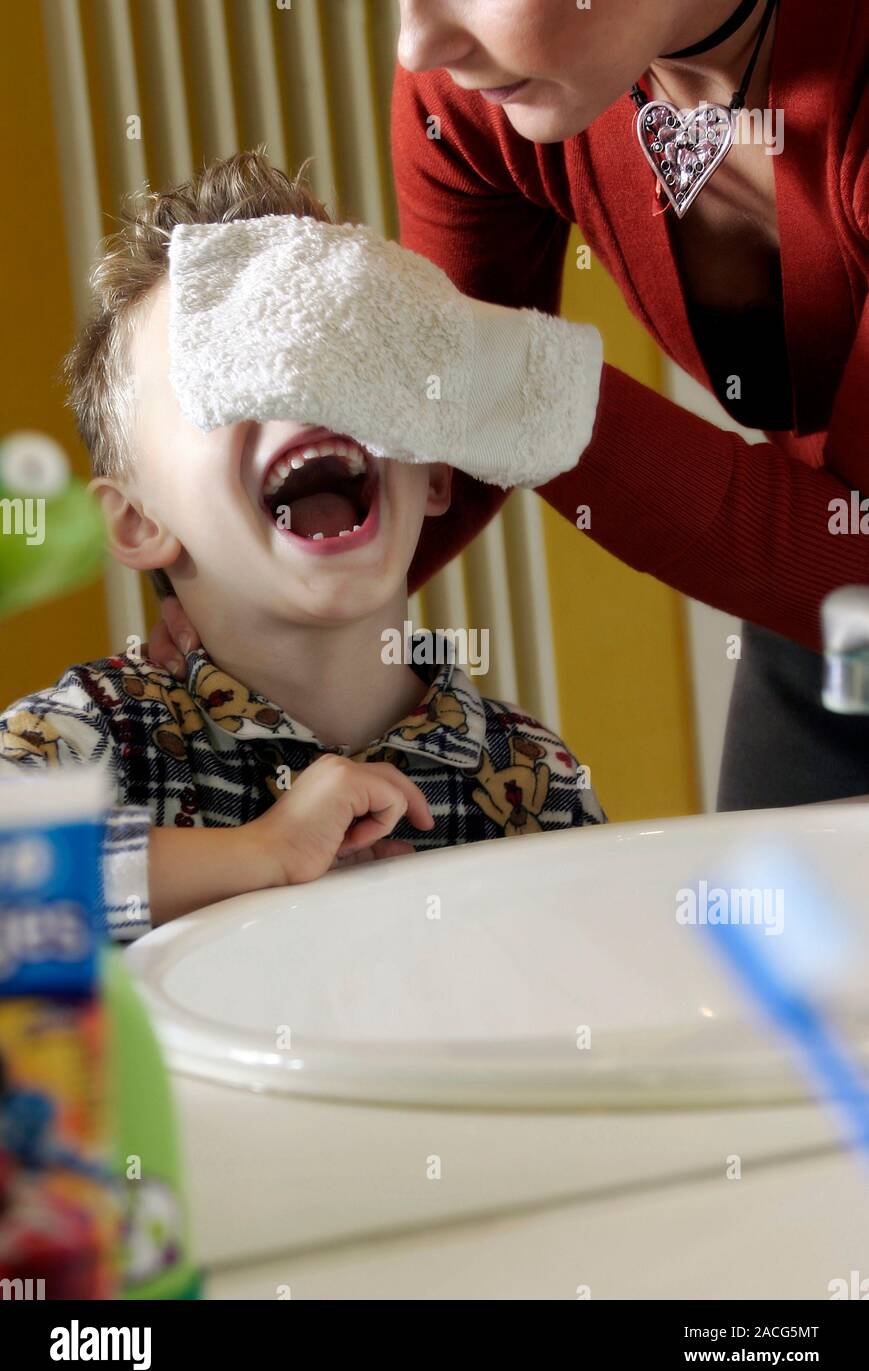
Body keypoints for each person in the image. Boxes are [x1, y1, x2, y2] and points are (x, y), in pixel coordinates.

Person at [0, 153, 604, 937]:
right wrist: (266, 854)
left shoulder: (527, 772)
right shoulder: (88, 738)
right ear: (138, 521)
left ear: (434, 469)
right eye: (231, 372)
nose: (300, 384)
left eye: (342, 356)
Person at [382, 0, 869, 810]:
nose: (419, 41)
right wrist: (218, 600)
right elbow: (443, 433)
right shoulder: (472, 96)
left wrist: (521, 385)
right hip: (816, 625)